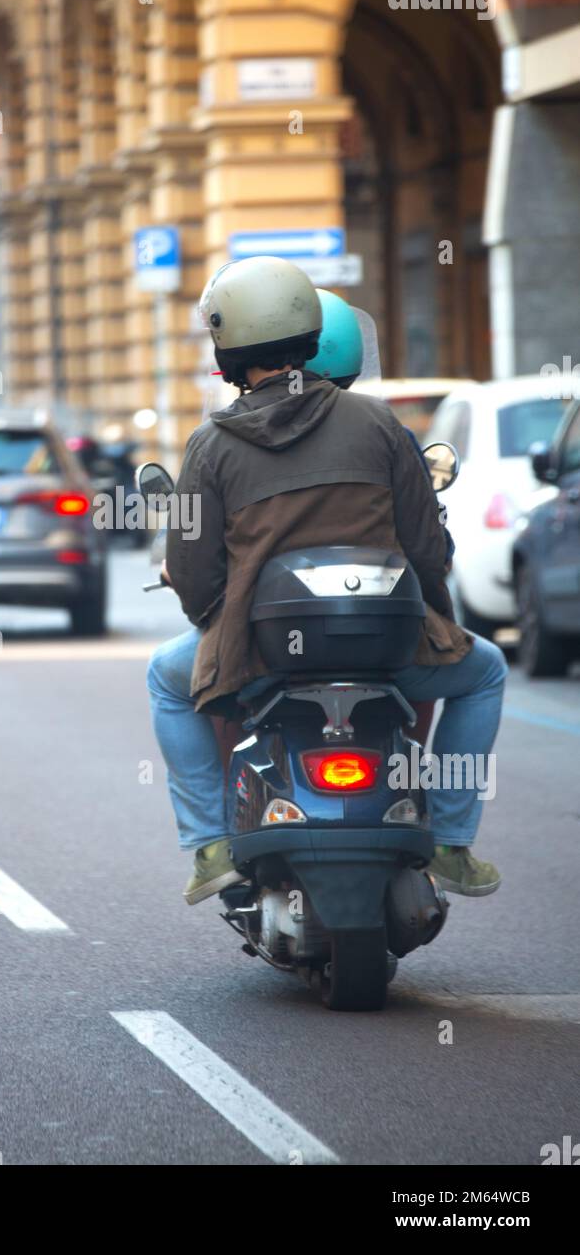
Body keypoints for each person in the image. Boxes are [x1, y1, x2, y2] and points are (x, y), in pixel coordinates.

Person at [146, 257, 507, 905]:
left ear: (229, 346)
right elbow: (427, 548)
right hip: (387, 648)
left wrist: (216, 620)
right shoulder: (377, 423)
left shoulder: (212, 445)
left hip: (263, 654)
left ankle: (210, 847)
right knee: (485, 671)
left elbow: (197, 580)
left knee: (163, 681)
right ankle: (451, 843)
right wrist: (436, 625)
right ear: (308, 333)